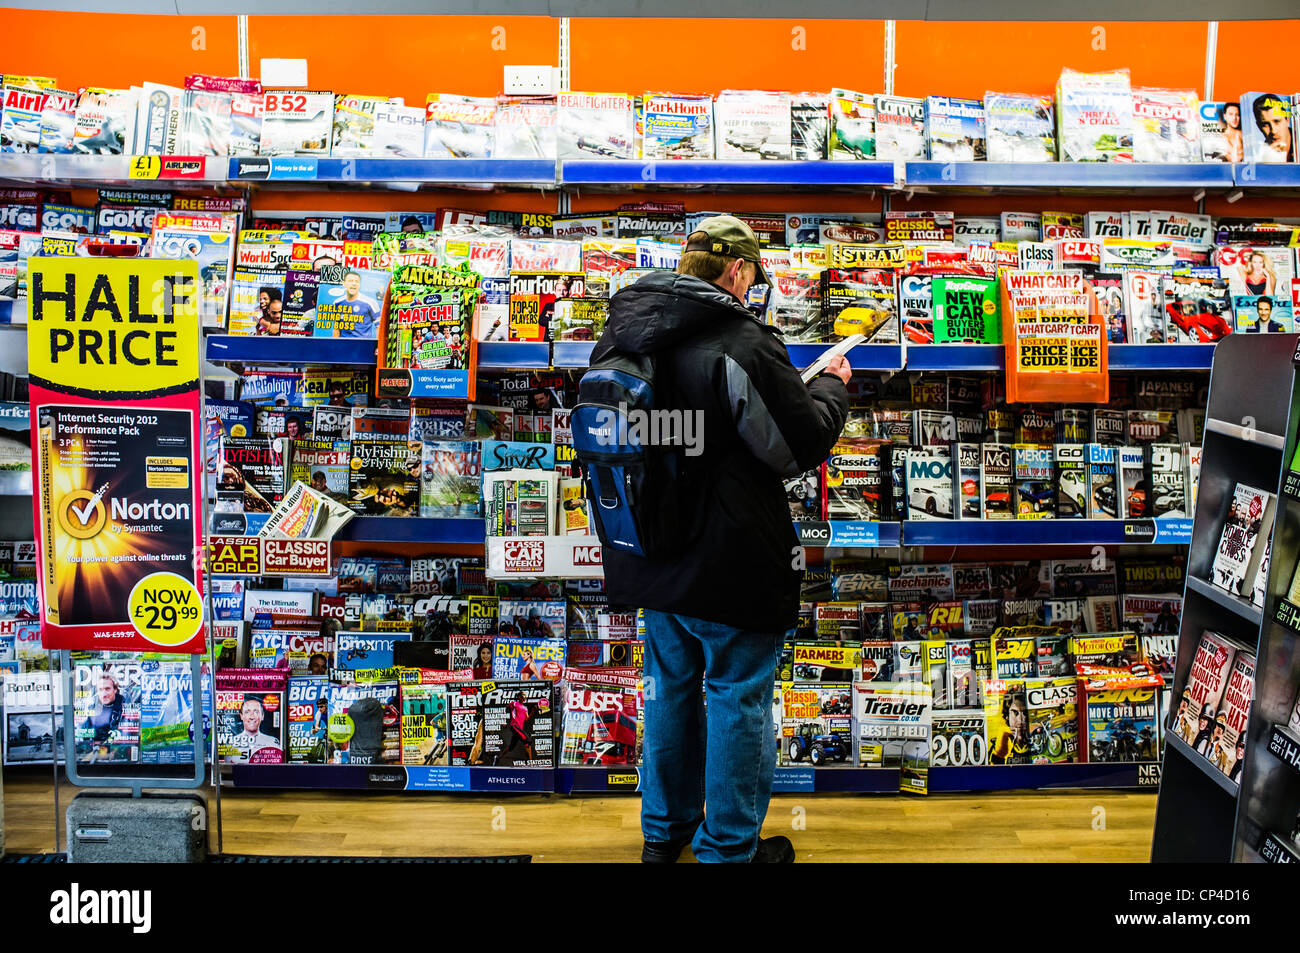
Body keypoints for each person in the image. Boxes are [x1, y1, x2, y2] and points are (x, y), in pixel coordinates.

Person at [588, 215, 850, 864]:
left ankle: (664, 832)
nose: (754, 288)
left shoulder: (624, 331)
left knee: (671, 688)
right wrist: (829, 387)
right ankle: (728, 849)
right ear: (736, 271)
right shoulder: (740, 341)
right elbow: (795, 446)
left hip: (650, 555)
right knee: (736, 693)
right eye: (753, 275)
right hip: (730, 562)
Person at [329, 270, 381, 338]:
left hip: (363, 345)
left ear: (359, 285)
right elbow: (336, 328)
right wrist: (334, 346)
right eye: (350, 281)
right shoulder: (337, 303)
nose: (354, 283)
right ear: (344, 283)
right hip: (344, 344)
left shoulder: (371, 303)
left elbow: (379, 326)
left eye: (356, 281)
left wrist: (378, 347)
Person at [232, 695, 280, 762]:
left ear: (262, 716)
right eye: (247, 712)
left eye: (256, 712)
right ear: (241, 716)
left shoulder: (272, 742)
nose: (252, 716)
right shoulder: (231, 742)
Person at [81, 670, 125, 743]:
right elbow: (83, 734)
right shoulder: (91, 707)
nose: (103, 694)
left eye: (107, 689)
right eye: (100, 689)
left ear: (115, 690)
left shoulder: (124, 707)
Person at [990, 691, 1031, 765]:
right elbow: (994, 771)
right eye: (1015, 713)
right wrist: (999, 753)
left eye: (1025, 713)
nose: (1020, 720)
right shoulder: (1000, 741)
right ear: (1007, 716)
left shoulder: (1037, 740)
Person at [1251, 93, 1294, 162]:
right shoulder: (1259, 157)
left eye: (1277, 121)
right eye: (1265, 124)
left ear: (1287, 120)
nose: (1273, 131)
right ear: (1259, 127)